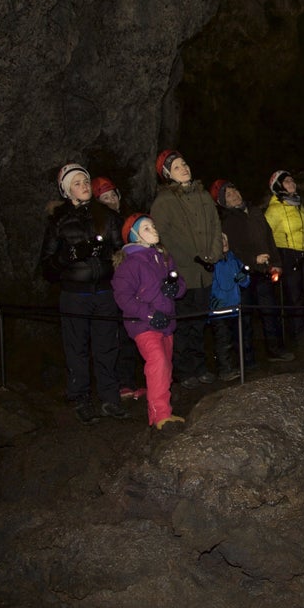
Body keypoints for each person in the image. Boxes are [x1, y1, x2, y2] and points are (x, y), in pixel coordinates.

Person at [39, 163, 128, 423]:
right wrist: (70, 256)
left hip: (104, 292)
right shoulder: (58, 221)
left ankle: (110, 398)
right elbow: (47, 267)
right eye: (76, 183)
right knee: (76, 348)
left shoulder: (107, 216)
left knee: (106, 346)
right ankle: (80, 398)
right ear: (67, 191)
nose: (84, 186)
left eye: (85, 181)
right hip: (74, 295)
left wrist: (112, 257)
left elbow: (122, 250)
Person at [149, 150, 222, 390]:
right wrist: (189, 258)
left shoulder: (203, 196)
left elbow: (215, 225)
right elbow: (163, 238)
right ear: (168, 174)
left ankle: (200, 366)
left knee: (200, 322)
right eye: (178, 166)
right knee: (182, 324)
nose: (184, 168)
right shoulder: (163, 202)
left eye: (185, 163)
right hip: (182, 273)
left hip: (205, 273)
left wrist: (213, 254)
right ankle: (184, 369)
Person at [111, 213, 187, 430]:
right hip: (143, 324)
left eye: (153, 225)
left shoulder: (163, 257)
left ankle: (161, 414)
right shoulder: (131, 264)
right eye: (146, 228)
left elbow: (179, 282)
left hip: (166, 323)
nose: (153, 229)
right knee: (158, 363)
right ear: (134, 236)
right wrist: (150, 314)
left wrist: (176, 288)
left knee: (166, 367)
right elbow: (123, 296)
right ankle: (160, 415)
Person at [211, 178, 294, 366]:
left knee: (270, 312)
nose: (234, 195)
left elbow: (269, 238)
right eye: (228, 194)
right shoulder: (227, 222)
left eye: (234, 190)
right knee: (245, 317)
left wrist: (276, 262)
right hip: (243, 275)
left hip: (264, 271)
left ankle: (275, 350)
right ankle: (247, 359)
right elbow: (231, 249)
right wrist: (252, 260)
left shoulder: (255, 211)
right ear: (222, 201)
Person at [92, 175, 140, 400]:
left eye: (113, 195)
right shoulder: (99, 226)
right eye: (104, 198)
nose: (111, 201)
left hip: (133, 284)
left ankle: (131, 380)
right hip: (112, 286)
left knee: (132, 332)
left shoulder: (128, 221)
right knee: (117, 335)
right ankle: (121, 383)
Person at [264, 169, 304, 347]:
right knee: (294, 297)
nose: (292, 184)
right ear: (278, 186)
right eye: (287, 182)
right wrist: (273, 261)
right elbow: (266, 235)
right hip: (286, 254)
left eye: (292, 181)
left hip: (303, 253)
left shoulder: (298, 204)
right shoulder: (273, 209)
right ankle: (297, 334)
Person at [207, 232, 251, 382]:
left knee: (237, 339)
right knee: (223, 341)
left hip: (234, 308)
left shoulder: (234, 259)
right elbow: (208, 285)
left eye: (225, 239)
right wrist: (211, 302)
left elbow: (245, 282)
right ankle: (225, 370)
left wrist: (243, 277)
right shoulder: (212, 263)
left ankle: (239, 366)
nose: (224, 242)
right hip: (219, 311)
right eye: (220, 240)